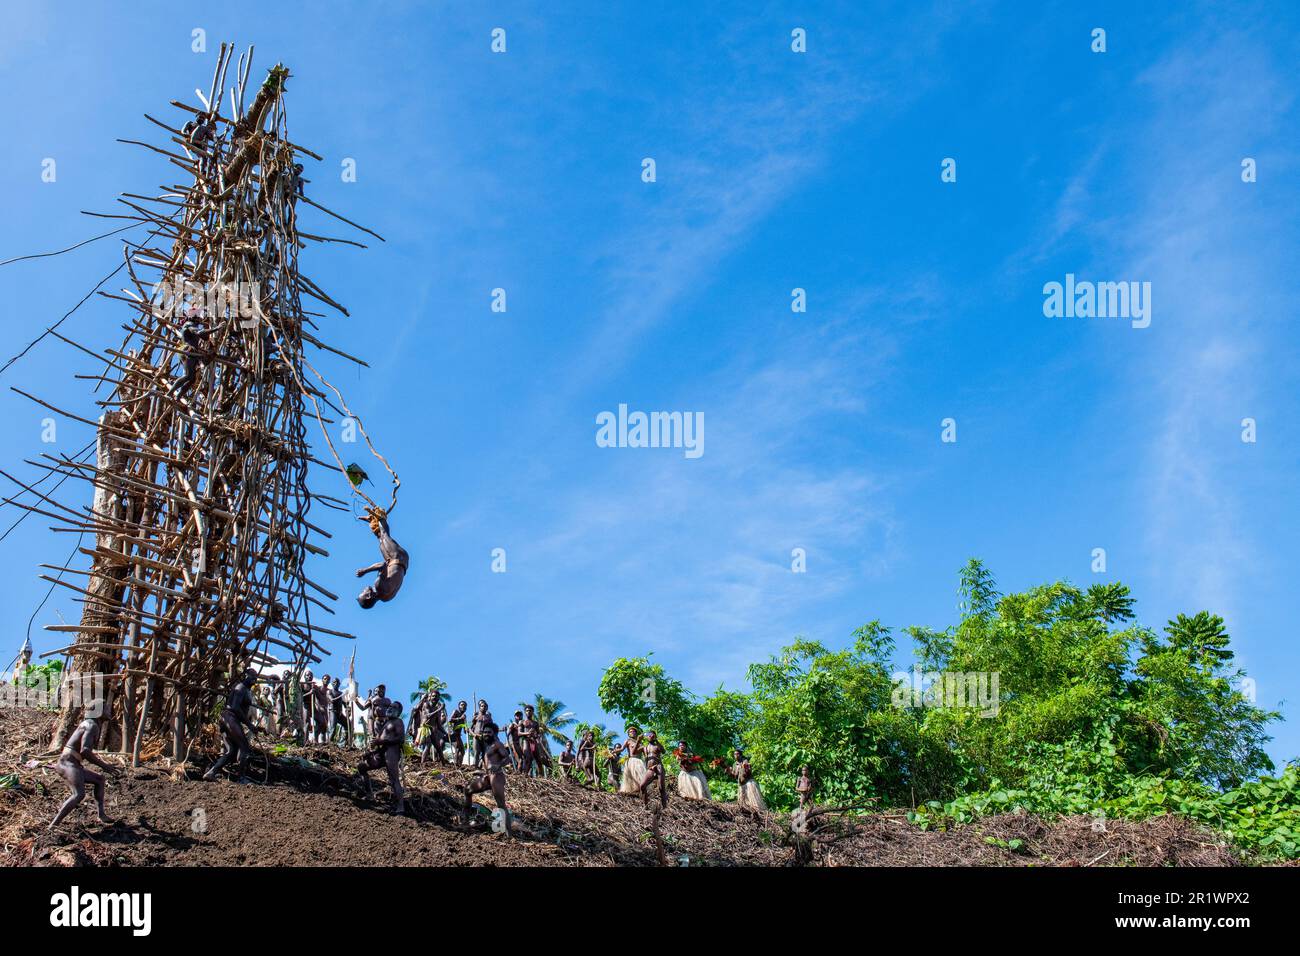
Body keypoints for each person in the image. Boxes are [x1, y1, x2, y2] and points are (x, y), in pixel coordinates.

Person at [49, 705, 117, 828]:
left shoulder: (90, 724)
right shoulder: (91, 725)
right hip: (68, 764)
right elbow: (85, 750)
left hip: (72, 763)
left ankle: (101, 815)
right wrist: (105, 766)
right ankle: (53, 826)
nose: (109, 711)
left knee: (99, 780)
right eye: (106, 709)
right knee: (78, 794)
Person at [203, 669, 260, 783]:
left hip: (229, 719)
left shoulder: (246, 689)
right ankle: (241, 778)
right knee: (245, 747)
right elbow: (235, 707)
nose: (254, 681)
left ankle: (211, 773)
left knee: (232, 751)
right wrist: (249, 724)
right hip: (230, 719)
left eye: (255, 678)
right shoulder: (240, 688)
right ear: (246, 676)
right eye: (252, 678)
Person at [354, 700, 405, 814]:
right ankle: (369, 794)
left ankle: (401, 807)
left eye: (394, 707)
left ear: (398, 712)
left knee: (394, 779)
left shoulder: (398, 722)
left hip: (391, 752)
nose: (390, 708)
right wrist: (371, 751)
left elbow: (400, 739)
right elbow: (378, 741)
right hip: (381, 752)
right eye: (389, 706)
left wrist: (380, 740)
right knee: (362, 767)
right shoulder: (386, 722)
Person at [462, 722, 511, 836]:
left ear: (494, 733)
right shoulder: (486, 746)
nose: (486, 734)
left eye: (489, 732)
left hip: (497, 775)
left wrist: (498, 766)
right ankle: (465, 821)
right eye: (484, 732)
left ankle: (509, 836)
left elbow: (507, 758)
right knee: (467, 790)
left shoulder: (497, 744)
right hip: (488, 776)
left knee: (501, 805)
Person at [355, 508, 408, 609]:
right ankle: (380, 518)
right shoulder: (379, 586)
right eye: (363, 592)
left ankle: (372, 520)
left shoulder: (386, 598)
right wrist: (364, 571)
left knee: (381, 541)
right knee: (384, 536)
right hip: (397, 557)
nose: (363, 589)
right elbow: (382, 565)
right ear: (369, 596)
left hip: (401, 562)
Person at [612, 726, 648, 795]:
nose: (632, 733)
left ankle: (639, 790)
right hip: (631, 761)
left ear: (636, 733)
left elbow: (645, 755)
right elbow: (622, 749)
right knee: (631, 777)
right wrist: (614, 751)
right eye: (630, 732)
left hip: (639, 761)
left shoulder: (641, 744)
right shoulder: (628, 741)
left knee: (640, 778)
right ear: (628, 734)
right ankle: (632, 791)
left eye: (633, 731)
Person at [729, 749, 766, 814]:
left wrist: (746, 769)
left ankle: (758, 811)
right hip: (741, 785)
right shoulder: (734, 764)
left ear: (740, 755)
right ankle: (746, 812)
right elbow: (735, 776)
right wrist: (729, 771)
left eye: (737, 754)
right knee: (743, 802)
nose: (736, 755)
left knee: (754, 801)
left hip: (749, 783)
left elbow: (748, 771)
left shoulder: (745, 761)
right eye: (735, 754)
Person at [639, 732, 668, 810]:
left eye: (652, 735)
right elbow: (633, 752)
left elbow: (663, 751)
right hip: (650, 768)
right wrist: (638, 740)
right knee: (642, 785)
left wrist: (657, 740)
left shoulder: (657, 746)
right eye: (649, 735)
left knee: (661, 787)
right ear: (647, 737)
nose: (650, 736)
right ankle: (646, 807)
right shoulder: (644, 747)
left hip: (658, 767)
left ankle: (665, 808)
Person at [470, 700, 494, 767]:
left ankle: (485, 768)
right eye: (482, 706)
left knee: (485, 753)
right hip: (476, 735)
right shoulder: (476, 716)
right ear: (479, 707)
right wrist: (474, 735)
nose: (483, 707)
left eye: (485, 706)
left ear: (487, 708)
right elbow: (470, 728)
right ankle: (475, 766)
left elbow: (492, 728)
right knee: (476, 752)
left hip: (484, 736)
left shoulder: (489, 717)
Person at [329, 677, 350, 746]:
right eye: (334, 682)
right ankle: (329, 743)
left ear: (339, 684)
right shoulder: (330, 692)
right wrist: (342, 695)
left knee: (348, 724)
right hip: (333, 712)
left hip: (340, 713)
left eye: (337, 682)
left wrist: (348, 706)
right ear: (332, 683)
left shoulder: (341, 693)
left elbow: (345, 704)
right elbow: (332, 700)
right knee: (333, 728)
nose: (336, 683)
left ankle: (343, 742)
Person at [447, 700, 468, 765]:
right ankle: (456, 764)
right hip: (453, 733)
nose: (463, 706)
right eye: (462, 705)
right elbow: (450, 720)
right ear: (458, 706)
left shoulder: (464, 716)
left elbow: (465, 729)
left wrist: (466, 728)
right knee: (457, 749)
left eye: (465, 706)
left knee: (462, 751)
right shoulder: (456, 711)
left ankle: (459, 764)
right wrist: (459, 718)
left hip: (458, 735)